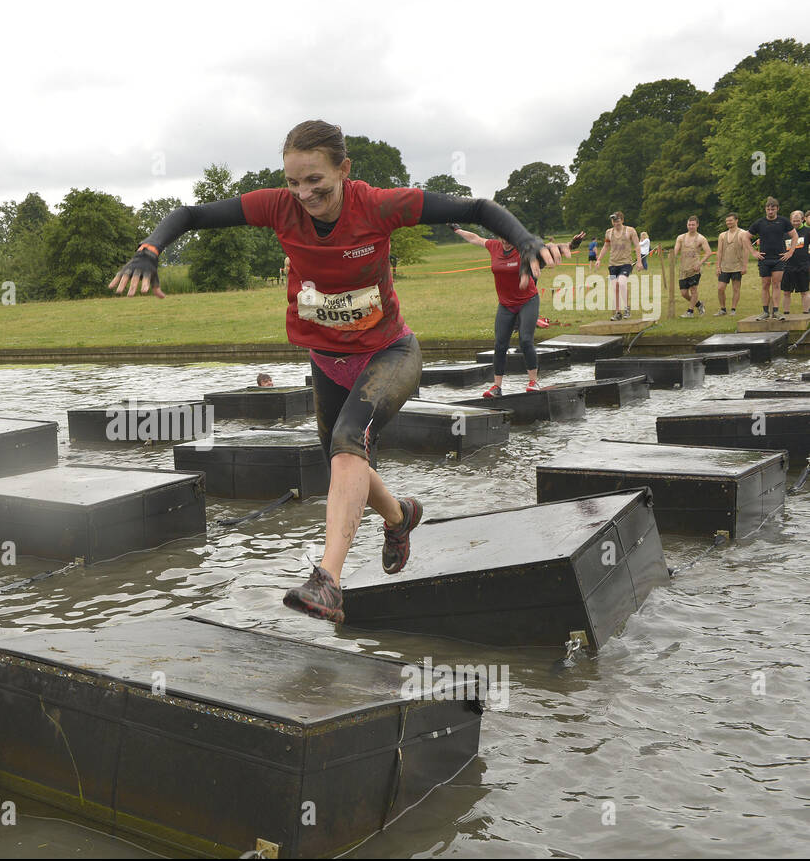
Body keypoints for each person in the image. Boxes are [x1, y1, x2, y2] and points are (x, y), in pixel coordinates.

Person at [108, 119, 566, 623]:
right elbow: (190, 214)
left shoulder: (378, 205)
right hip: (326, 361)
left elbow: (475, 208)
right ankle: (400, 517)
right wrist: (149, 250)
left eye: (317, 182)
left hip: (390, 353)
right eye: (293, 182)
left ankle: (327, 580)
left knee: (350, 442)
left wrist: (523, 239)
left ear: (344, 171)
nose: (304, 194)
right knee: (344, 461)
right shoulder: (278, 207)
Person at [454, 227, 579, 395]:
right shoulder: (494, 246)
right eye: (502, 238)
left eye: (508, 238)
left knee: (526, 340)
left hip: (528, 301)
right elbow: (475, 238)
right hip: (506, 305)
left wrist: (572, 244)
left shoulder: (524, 248)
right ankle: (497, 386)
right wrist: (457, 229)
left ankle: (533, 382)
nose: (505, 242)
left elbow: (550, 249)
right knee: (499, 345)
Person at [749, 197, 795, 319]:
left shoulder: (783, 221)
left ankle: (776, 311)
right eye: (768, 209)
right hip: (764, 259)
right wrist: (753, 252)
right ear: (765, 209)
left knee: (776, 284)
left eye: (773, 209)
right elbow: (745, 237)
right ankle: (765, 312)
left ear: (777, 209)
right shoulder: (760, 223)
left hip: (779, 259)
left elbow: (794, 236)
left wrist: (790, 252)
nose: (770, 212)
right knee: (765, 284)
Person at [594, 212, 639, 320]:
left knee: (622, 283)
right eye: (614, 221)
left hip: (625, 263)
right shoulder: (609, 232)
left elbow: (637, 246)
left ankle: (627, 308)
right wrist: (599, 259)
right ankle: (618, 313)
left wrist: (639, 262)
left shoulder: (630, 230)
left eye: (618, 220)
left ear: (622, 220)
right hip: (613, 265)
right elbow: (606, 246)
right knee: (615, 288)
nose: (616, 223)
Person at [716, 212, 760, 316]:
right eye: (727, 221)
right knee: (720, 288)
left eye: (731, 220)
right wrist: (718, 266)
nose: (728, 222)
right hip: (724, 267)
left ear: (736, 220)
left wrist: (744, 266)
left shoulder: (743, 234)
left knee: (736, 288)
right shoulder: (722, 235)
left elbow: (745, 250)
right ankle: (722, 309)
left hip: (737, 266)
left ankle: (733, 309)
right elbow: (719, 252)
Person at [673, 217, 711, 317]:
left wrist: (700, 263)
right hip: (683, 269)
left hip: (695, 269)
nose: (691, 227)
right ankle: (698, 304)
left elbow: (708, 253)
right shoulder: (680, 238)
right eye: (689, 225)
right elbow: (675, 251)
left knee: (693, 290)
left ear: (697, 225)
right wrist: (672, 256)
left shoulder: (701, 238)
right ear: (687, 225)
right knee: (684, 293)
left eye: (693, 225)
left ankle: (690, 312)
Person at [779, 210, 809, 317]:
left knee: (804, 291)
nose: (796, 223)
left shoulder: (807, 231)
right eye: (793, 221)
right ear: (790, 221)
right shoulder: (785, 233)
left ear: (802, 219)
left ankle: (806, 313)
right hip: (787, 266)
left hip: (803, 266)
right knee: (786, 292)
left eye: (798, 220)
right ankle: (786, 314)